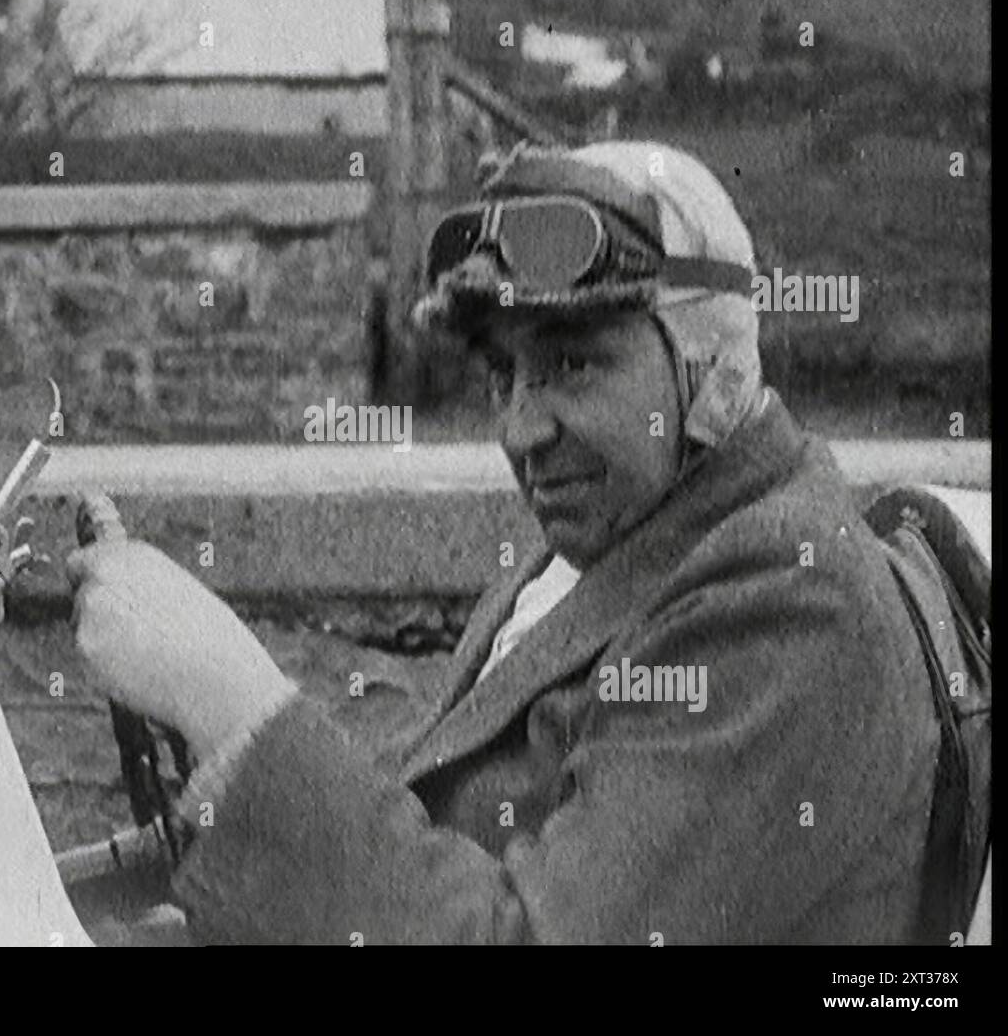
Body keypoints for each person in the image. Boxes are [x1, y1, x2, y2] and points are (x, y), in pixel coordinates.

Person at [67, 142, 941, 943]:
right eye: (503, 376)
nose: (523, 430)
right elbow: (440, 840)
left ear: (708, 369)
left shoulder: (791, 596)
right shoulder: (616, 539)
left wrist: (234, 707)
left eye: (572, 364)